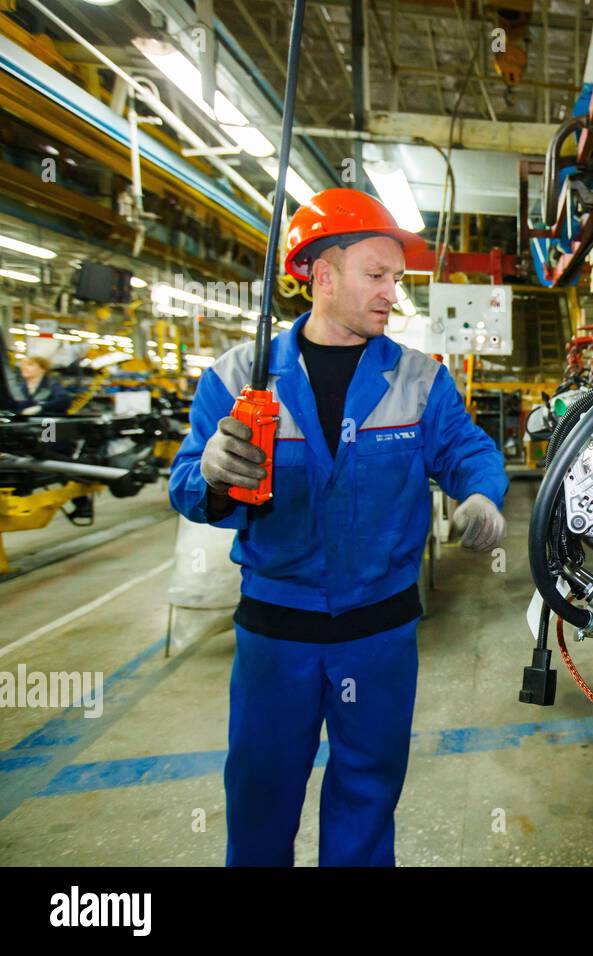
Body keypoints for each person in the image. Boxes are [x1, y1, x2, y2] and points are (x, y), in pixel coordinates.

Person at [169, 188, 508, 866]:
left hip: (378, 634)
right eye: (376, 276)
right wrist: (208, 470)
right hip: (276, 633)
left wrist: (481, 496)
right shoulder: (238, 375)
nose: (391, 293)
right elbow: (186, 489)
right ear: (322, 276)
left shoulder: (418, 379)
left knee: (367, 793)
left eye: (396, 278)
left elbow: (468, 451)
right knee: (262, 795)